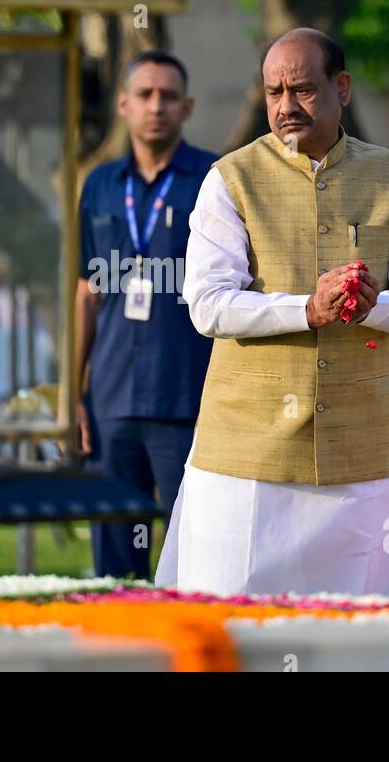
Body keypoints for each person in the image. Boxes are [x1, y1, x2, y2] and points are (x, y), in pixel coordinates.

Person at [154, 30, 389, 597]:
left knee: (362, 637)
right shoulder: (230, 179)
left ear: (342, 88)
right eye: (274, 92)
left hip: (363, 450)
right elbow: (208, 304)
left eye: (303, 90)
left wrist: (377, 306)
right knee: (235, 629)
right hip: (248, 451)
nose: (286, 107)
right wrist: (306, 309)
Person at [74, 51, 218, 581]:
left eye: (168, 96)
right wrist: (74, 393)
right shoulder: (100, 185)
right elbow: (86, 291)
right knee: (114, 559)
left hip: (188, 395)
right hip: (110, 397)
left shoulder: (213, 178)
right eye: (145, 94)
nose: (156, 106)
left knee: (194, 553)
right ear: (123, 105)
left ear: (187, 106)